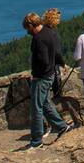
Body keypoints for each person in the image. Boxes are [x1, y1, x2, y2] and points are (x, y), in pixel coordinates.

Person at [23, 11, 69, 150]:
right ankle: (62, 127)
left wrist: (36, 74)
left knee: (36, 108)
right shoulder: (50, 33)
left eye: (27, 28)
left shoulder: (38, 38)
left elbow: (42, 59)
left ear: (31, 25)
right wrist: (62, 64)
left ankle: (36, 141)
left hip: (41, 77)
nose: (27, 31)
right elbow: (56, 53)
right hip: (50, 75)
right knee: (44, 103)